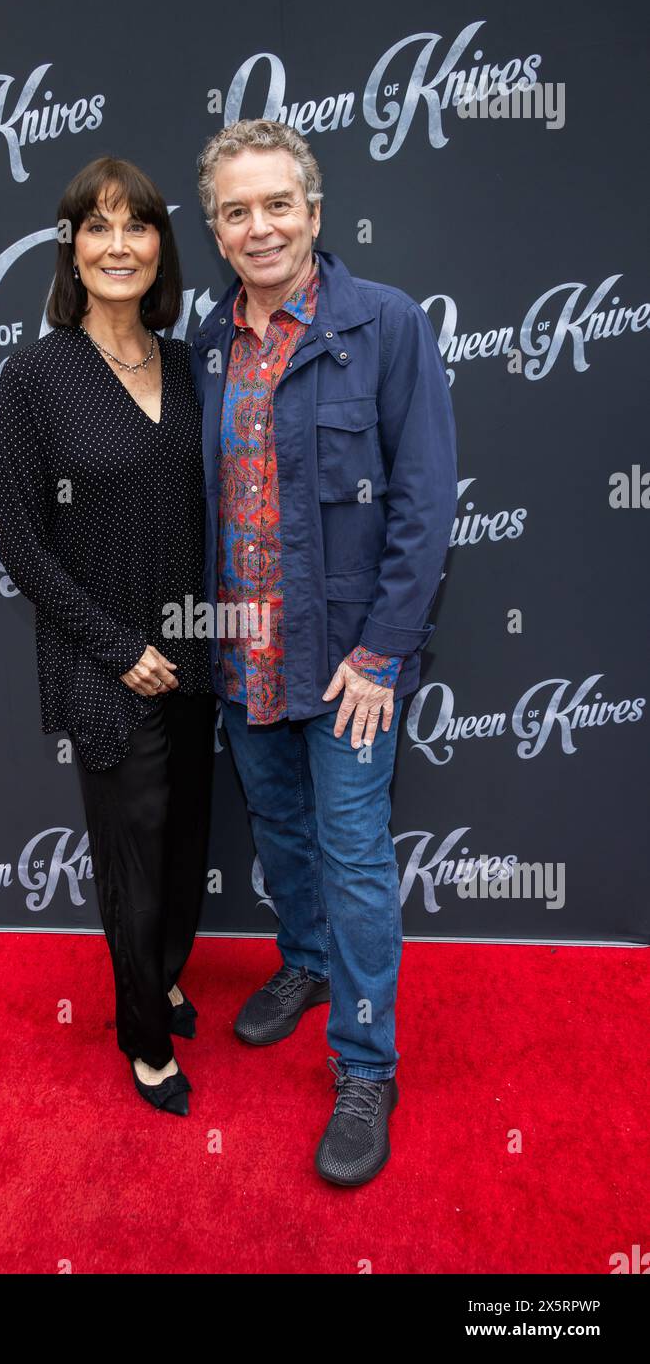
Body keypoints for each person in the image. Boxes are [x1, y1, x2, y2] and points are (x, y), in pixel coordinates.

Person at [190, 120, 457, 1183]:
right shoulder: (207, 345)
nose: (259, 226)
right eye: (236, 210)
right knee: (283, 831)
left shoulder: (386, 325)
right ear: (216, 229)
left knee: (352, 857)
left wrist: (382, 652)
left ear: (314, 210)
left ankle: (365, 1064)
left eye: (276, 204)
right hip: (241, 650)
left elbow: (426, 504)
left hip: (349, 665)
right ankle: (302, 967)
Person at [0, 156, 216, 1117]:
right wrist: (119, 646)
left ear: (160, 247)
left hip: (195, 651)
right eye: (97, 226)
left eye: (137, 226)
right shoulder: (37, 374)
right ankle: (143, 1041)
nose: (117, 244)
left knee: (183, 841)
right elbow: (20, 540)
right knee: (129, 855)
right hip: (102, 662)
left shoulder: (189, 362)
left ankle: (163, 975)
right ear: (71, 249)